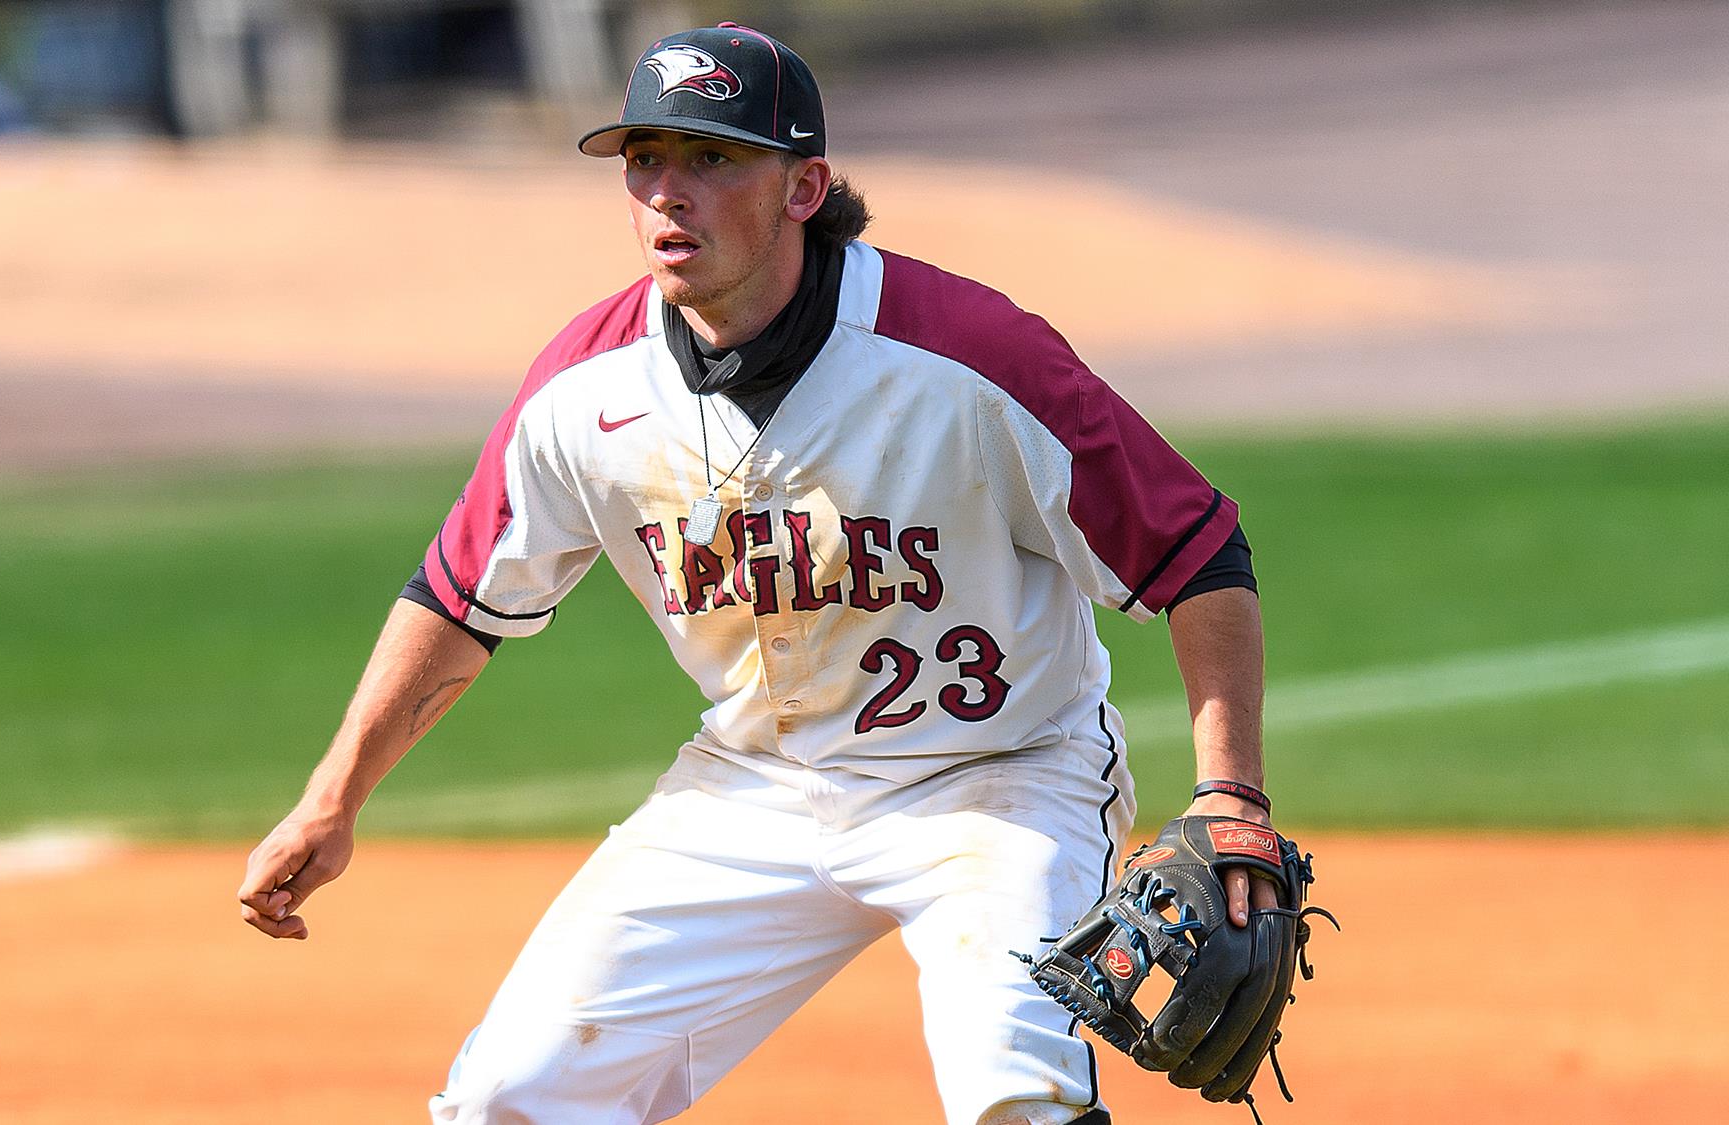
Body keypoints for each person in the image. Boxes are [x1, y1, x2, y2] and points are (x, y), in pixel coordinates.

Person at [240, 22, 1277, 1125]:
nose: (665, 194)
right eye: (643, 160)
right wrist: (330, 799)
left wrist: (1230, 793)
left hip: (997, 781)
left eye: (711, 159)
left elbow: (1195, 550)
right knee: (508, 1098)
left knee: (1015, 1100)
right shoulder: (582, 392)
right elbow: (459, 601)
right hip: (753, 790)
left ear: (802, 185)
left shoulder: (967, 357)